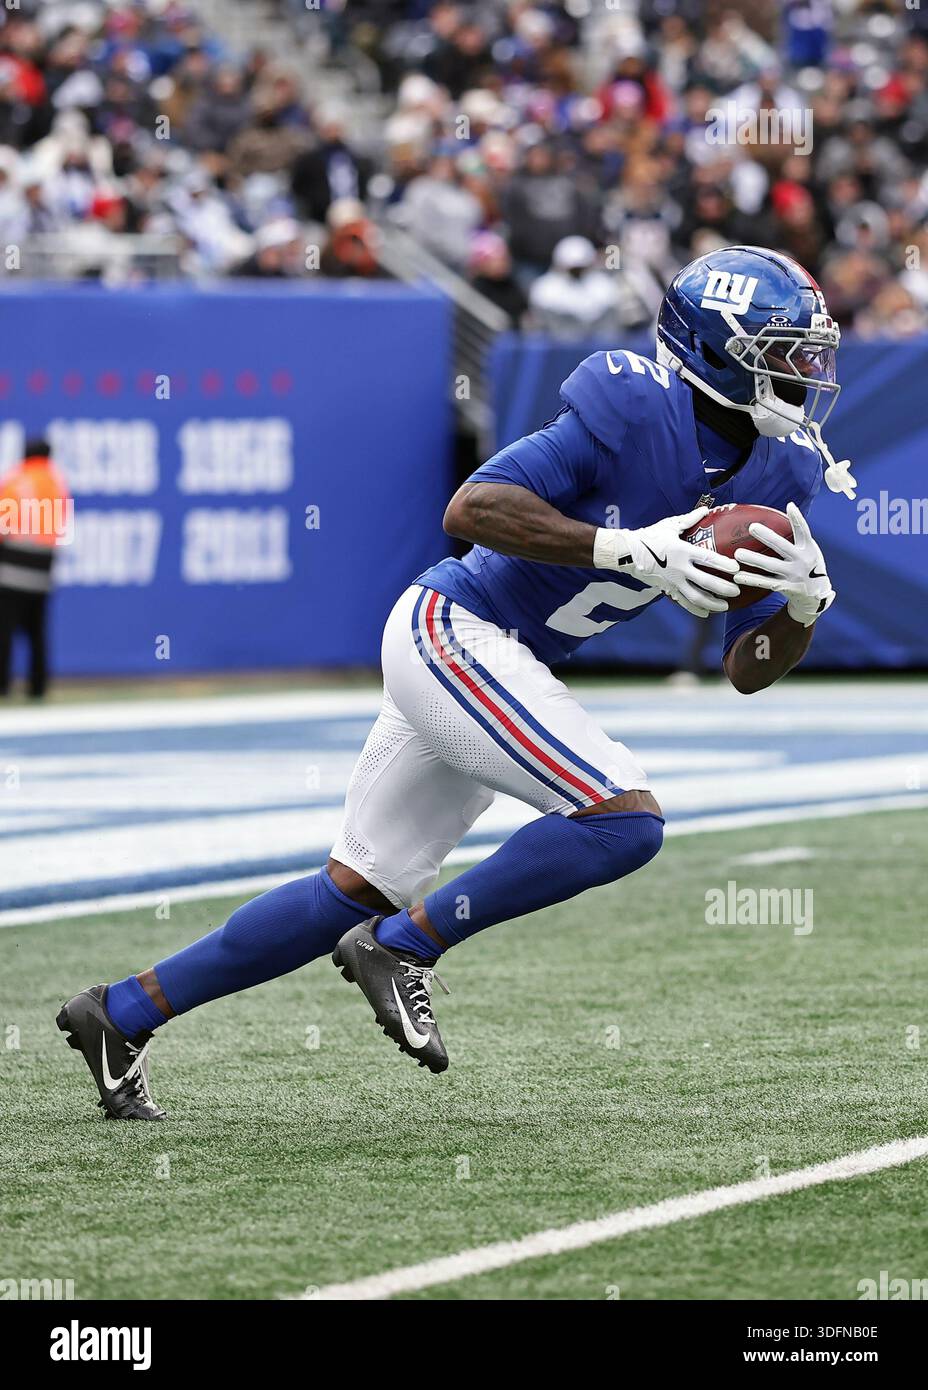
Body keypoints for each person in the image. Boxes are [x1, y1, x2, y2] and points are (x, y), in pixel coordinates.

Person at [57, 247, 856, 1117]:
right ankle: (404, 947)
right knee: (623, 822)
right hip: (456, 627)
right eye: (785, 350)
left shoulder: (783, 474)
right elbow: (471, 507)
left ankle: (120, 1012)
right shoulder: (634, 405)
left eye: (810, 351)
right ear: (714, 350)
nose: (807, 371)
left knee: (349, 890)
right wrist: (625, 548)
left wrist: (804, 609)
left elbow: (747, 671)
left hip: (496, 662)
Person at [0, 439, 71, 699]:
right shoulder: (56, 484)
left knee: (4, 632)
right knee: (37, 632)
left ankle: (2, 685)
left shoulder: (16, 481)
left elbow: (3, 524)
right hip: (43, 572)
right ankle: (38, 686)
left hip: (11, 570)